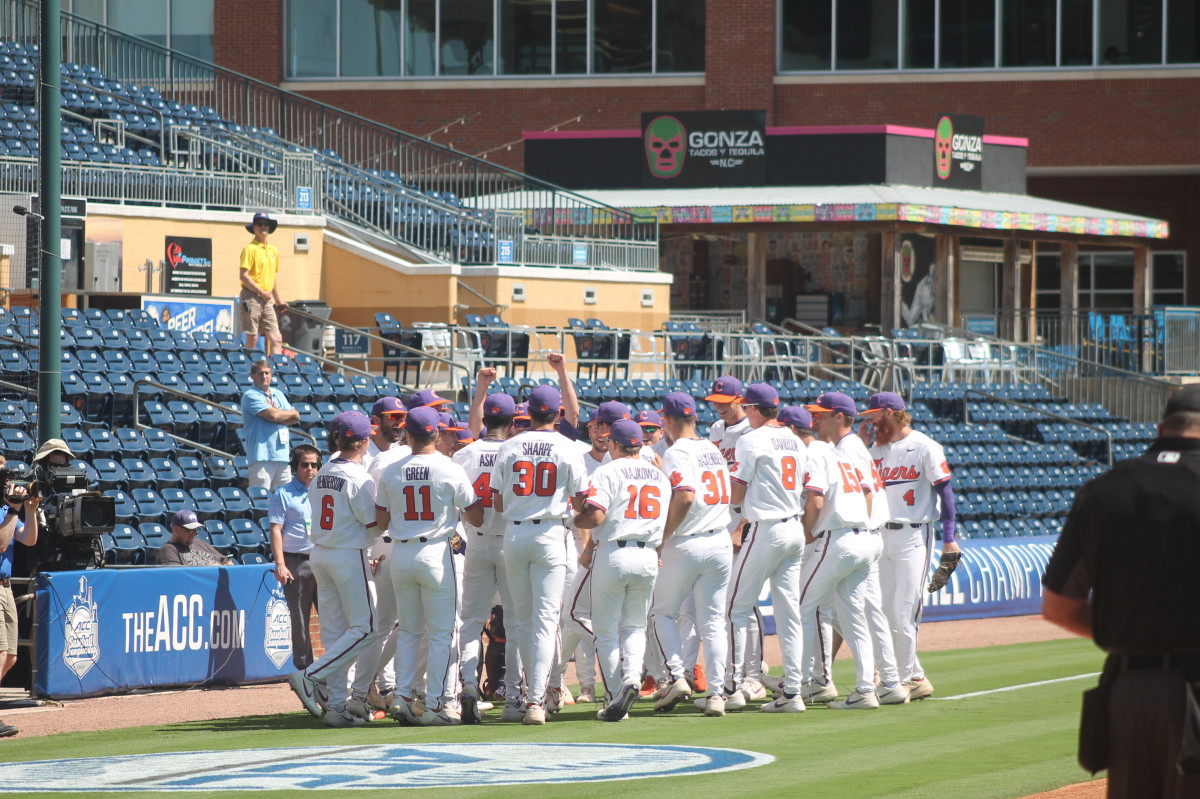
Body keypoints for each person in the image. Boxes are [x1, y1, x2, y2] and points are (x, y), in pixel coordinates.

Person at [1043, 386, 1200, 798]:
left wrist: (1128, 631)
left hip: (1127, 693)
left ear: (1161, 427)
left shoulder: (1104, 489)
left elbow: (1058, 606)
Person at [376, 406, 484, 727]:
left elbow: (381, 519)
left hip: (402, 553)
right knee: (441, 633)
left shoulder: (392, 470)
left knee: (409, 630)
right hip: (437, 553)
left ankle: (403, 696)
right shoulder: (449, 468)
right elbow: (476, 516)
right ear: (436, 434)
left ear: (407, 435)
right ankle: (436, 704)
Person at [802, 394, 907, 709]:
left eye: (821, 414)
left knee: (815, 608)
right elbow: (865, 490)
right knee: (866, 613)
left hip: (852, 534)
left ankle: (803, 682)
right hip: (868, 535)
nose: (815, 419)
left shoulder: (844, 449)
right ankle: (887, 682)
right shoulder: (852, 447)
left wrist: (853, 525)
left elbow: (860, 492)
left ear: (837, 417)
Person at [492, 384, 587, 725]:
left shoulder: (510, 445)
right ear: (557, 413)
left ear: (528, 413)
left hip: (515, 532)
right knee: (546, 622)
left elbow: (498, 500)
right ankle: (536, 701)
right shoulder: (567, 446)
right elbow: (581, 501)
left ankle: (516, 699)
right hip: (550, 532)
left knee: (520, 621)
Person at [725, 383, 818, 713]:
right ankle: (793, 691)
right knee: (789, 613)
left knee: (735, 606)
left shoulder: (752, 439)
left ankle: (733, 688)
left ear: (752, 409)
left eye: (747, 408)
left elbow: (736, 490)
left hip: (766, 528)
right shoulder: (794, 439)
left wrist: (738, 510)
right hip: (793, 526)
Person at [861, 391, 959, 700]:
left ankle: (902, 681)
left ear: (889, 413)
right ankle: (912, 676)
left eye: (873, 415)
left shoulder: (925, 447)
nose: (870, 420)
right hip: (879, 536)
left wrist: (950, 538)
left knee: (903, 612)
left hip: (913, 535)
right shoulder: (872, 449)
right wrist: (863, 445)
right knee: (880, 611)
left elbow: (946, 494)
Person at [288, 411, 382, 728]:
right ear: (365, 441)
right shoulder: (358, 476)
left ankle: (337, 707)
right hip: (346, 553)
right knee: (367, 627)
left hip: (320, 553)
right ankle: (311, 676)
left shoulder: (324, 468)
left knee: (337, 635)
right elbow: (374, 523)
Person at [576, 419, 671, 722]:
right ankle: (632, 677)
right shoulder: (659, 475)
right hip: (648, 553)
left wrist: (571, 520)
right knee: (634, 626)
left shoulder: (607, 471)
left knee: (605, 631)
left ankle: (617, 693)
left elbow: (596, 516)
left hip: (614, 551)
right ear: (640, 444)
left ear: (614, 444)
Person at [648, 392, 733, 716]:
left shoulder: (676, 451)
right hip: (719, 540)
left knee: (663, 613)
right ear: (695, 418)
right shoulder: (712, 449)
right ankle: (715, 694)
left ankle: (675, 676)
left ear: (667, 421)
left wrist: (662, 536)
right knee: (712, 622)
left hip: (687, 542)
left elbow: (684, 496)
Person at [455, 392, 518, 721]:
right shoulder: (516, 451)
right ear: (511, 422)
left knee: (470, 622)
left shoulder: (463, 454)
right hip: (510, 540)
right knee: (517, 622)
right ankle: (516, 694)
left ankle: (467, 684)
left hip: (475, 541)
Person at [269, 444, 321, 669]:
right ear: (295, 466)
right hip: (295, 561)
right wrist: (280, 564)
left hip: (323, 558)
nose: (310, 469)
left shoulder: (323, 491)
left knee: (331, 617)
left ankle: (332, 669)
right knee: (299, 619)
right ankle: (305, 669)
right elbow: (275, 529)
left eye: (314, 464)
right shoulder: (283, 494)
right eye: (305, 464)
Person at [0, 455, 41, 739]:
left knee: (11, 657)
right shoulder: (5, 511)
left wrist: (30, 509)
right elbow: (2, 544)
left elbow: (29, 539)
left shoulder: (6, 509)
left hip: (5, 587)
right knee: (1, 652)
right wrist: (14, 511)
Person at [241, 358, 300, 490]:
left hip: (282, 456)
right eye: (260, 373)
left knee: (284, 500)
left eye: (267, 373)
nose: (264, 376)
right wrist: (283, 415)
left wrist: (278, 416)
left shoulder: (278, 394)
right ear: (253, 376)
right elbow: (272, 415)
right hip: (261, 457)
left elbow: (295, 417)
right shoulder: (250, 395)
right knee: (262, 500)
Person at [239, 211, 287, 355]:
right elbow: (243, 276)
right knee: (252, 337)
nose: (263, 227)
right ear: (254, 227)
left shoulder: (273, 250)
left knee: (276, 338)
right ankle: (247, 370)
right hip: (251, 296)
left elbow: (272, 278)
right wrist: (261, 292)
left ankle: (276, 372)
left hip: (267, 299)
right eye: (259, 224)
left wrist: (278, 301)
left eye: (266, 224)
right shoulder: (250, 249)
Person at [158, 510, 231, 567]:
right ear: (176, 529)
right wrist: (211, 569)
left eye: (195, 529)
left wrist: (228, 563)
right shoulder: (168, 549)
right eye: (189, 529)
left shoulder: (199, 541)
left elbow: (223, 559)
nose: (193, 533)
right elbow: (178, 576)